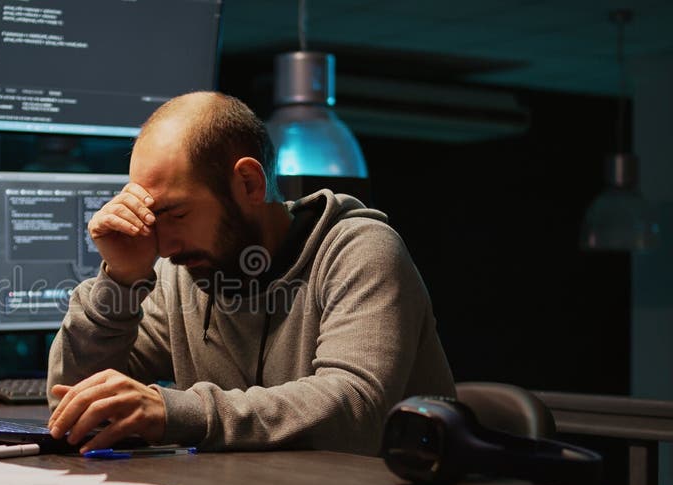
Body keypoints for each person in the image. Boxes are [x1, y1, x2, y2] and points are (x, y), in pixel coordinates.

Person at [46, 91, 455, 455]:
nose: (165, 248)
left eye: (177, 214)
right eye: (153, 219)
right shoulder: (185, 276)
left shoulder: (360, 251)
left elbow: (355, 407)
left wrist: (179, 411)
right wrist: (121, 279)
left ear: (248, 182)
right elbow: (73, 403)